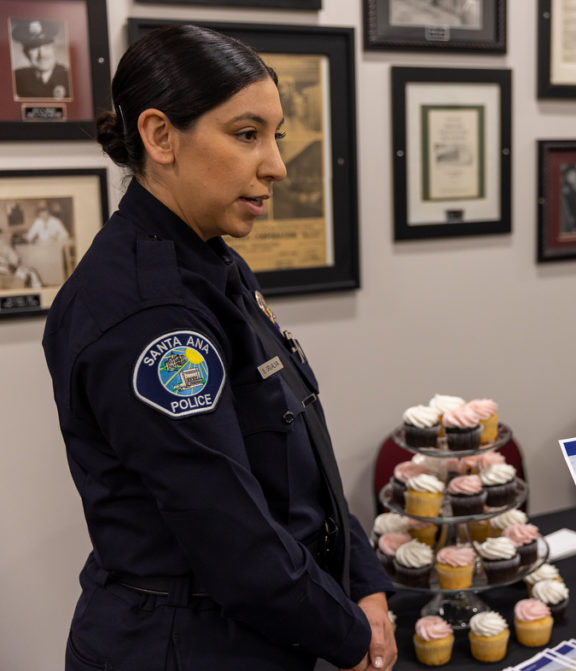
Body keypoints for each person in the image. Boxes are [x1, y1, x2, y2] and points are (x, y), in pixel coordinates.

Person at [42, 25, 395, 671]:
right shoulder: (151, 314)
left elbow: (296, 456)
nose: (277, 165)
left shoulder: (208, 262)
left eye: (276, 135)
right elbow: (234, 537)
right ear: (159, 135)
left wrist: (364, 580)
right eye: (246, 134)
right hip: (185, 644)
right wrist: (351, 636)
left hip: (256, 626)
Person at [11, 19, 72, 99]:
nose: (42, 54)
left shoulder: (69, 78)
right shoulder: (16, 78)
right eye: (34, 48)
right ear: (26, 53)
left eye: (46, 47)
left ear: (54, 49)